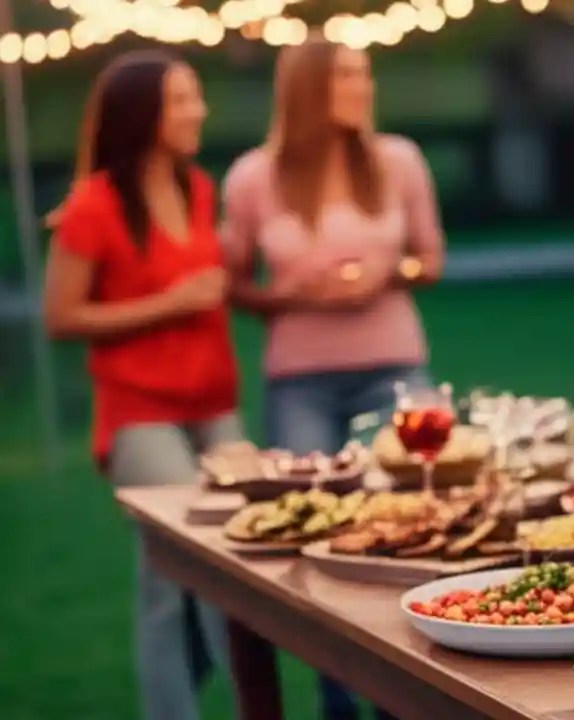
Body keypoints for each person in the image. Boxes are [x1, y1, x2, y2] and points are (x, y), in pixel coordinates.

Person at [221, 37, 445, 720]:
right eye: (348, 75)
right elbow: (232, 283)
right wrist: (291, 296)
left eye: (364, 74)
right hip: (302, 379)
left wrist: (390, 274)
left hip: (395, 368)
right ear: (309, 88)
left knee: (412, 526)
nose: (362, 85)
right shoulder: (254, 177)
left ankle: (403, 694)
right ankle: (336, 695)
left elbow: (430, 260)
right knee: (313, 537)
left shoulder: (398, 160)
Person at [43, 51, 240, 720]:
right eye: (183, 100)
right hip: (139, 410)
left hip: (213, 404)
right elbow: (61, 317)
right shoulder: (93, 206)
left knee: (231, 572)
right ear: (144, 115)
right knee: (184, 572)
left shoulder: (199, 188)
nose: (199, 111)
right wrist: (171, 303)